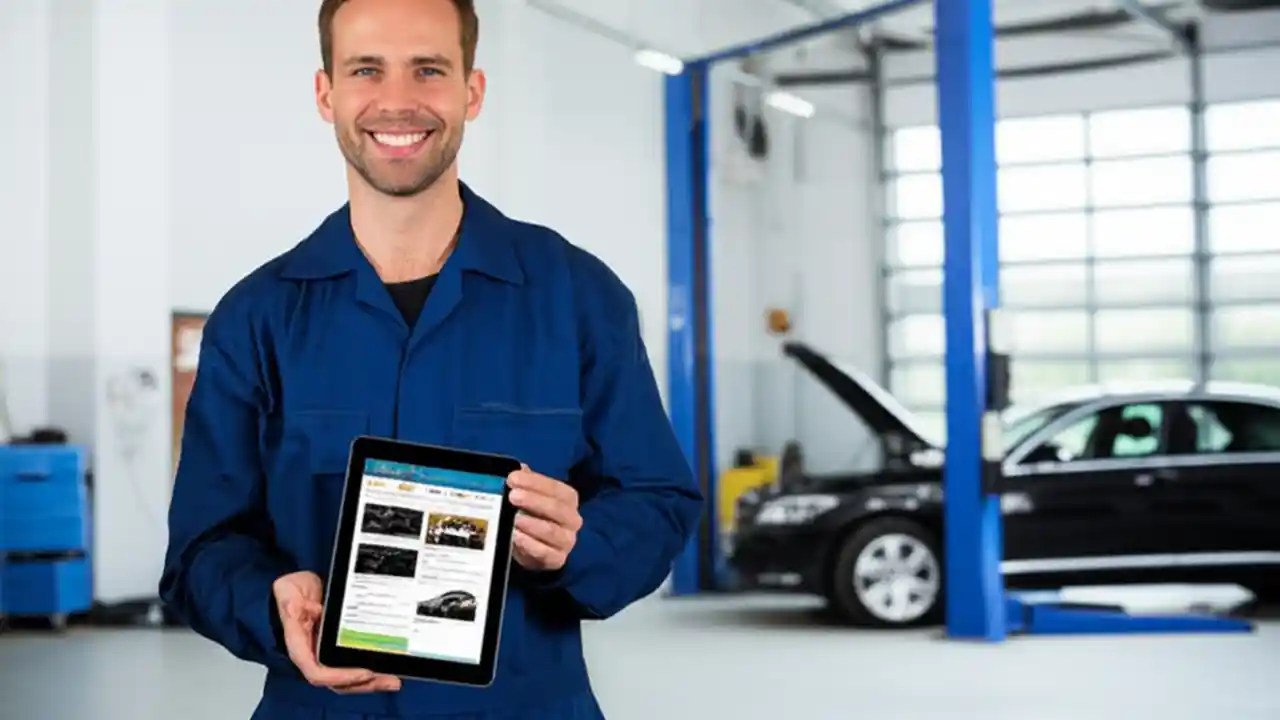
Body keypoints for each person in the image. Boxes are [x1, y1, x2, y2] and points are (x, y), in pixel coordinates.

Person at [157, 0, 703, 717]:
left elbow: (659, 503)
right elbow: (201, 550)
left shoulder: (577, 297)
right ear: (327, 94)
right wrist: (270, 602)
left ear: (471, 91)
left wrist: (579, 544)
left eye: (428, 69)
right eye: (365, 69)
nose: (397, 100)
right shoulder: (256, 317)